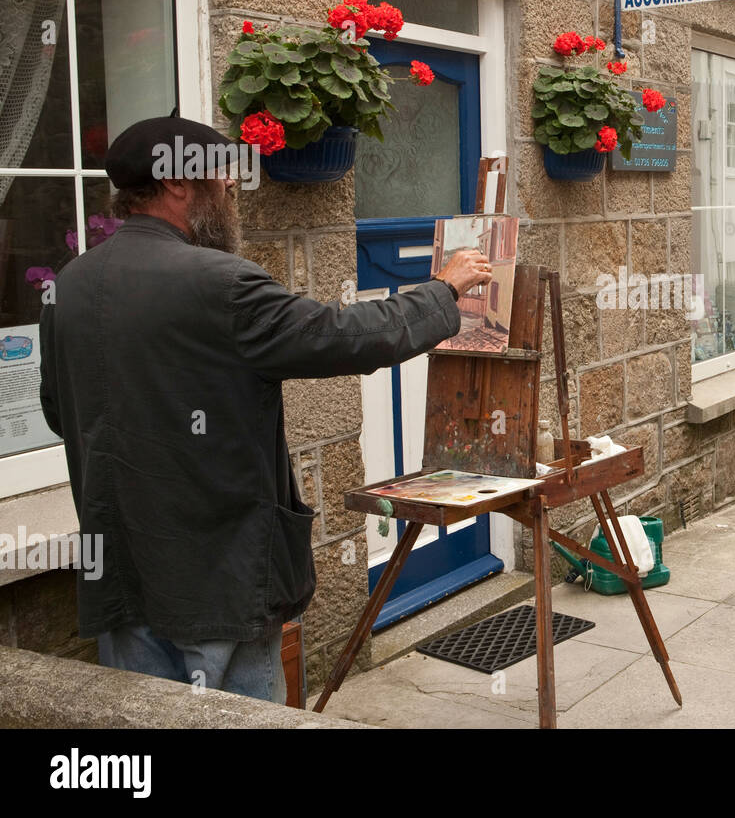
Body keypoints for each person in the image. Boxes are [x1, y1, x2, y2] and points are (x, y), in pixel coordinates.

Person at [38, 116, 492, 703]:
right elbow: (346, 335)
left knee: (142, 725)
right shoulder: (221, 283)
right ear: (179, 183)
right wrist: (444, 289)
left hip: (122, 576)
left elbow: (60, 412)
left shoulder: (68, 285)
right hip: (221, 578)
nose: (231, 189)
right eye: (222, 177)